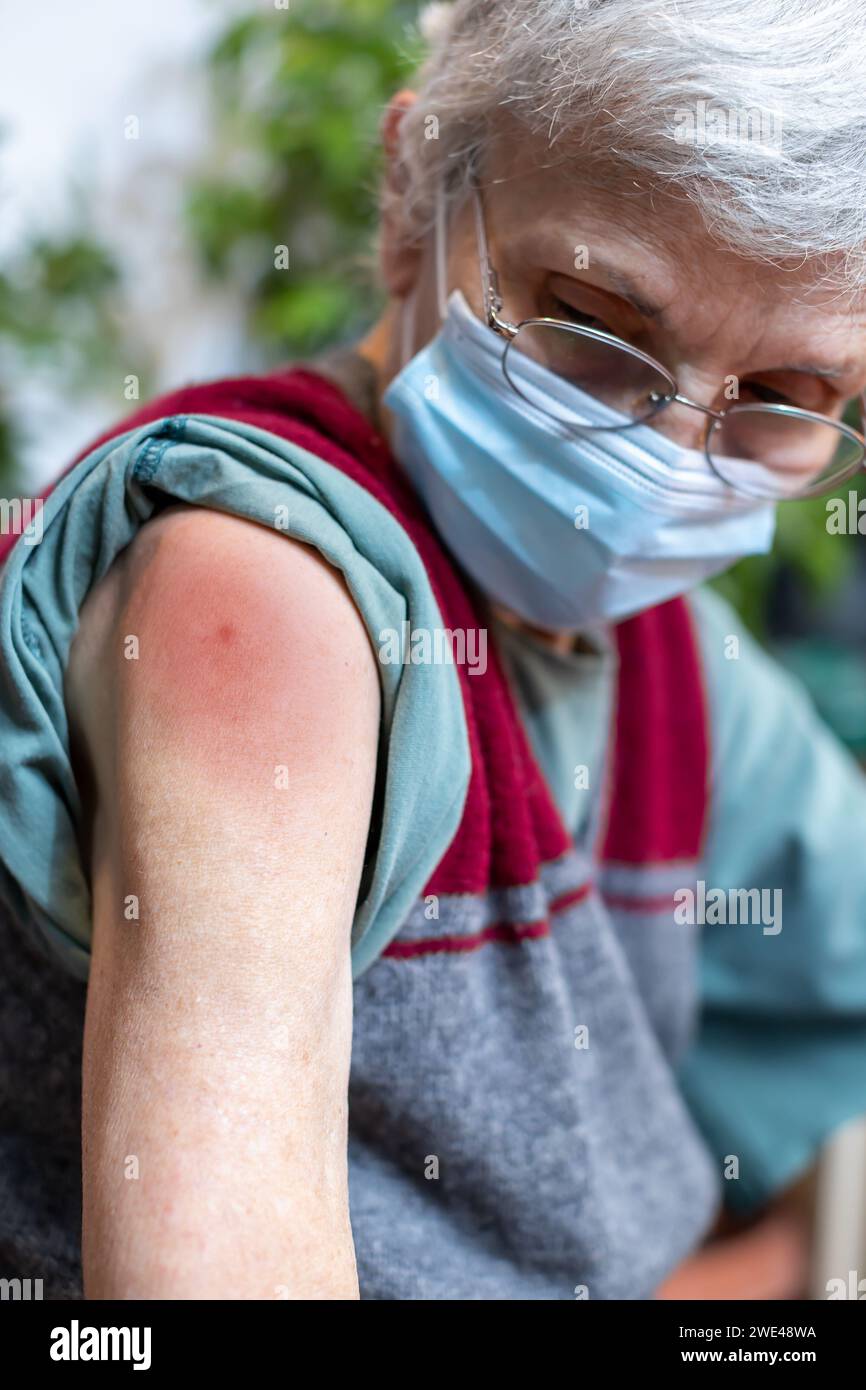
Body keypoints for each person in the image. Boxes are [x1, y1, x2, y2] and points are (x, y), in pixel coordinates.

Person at [2, 0, 866, 1300]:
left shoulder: (669, 659)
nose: (670, 461)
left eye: (784, 403)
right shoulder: (257, 587)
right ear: (414, 201)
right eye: (593, 325)